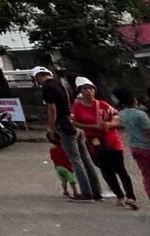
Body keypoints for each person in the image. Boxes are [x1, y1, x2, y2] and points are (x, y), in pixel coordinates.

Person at [34, 65, 102, 201]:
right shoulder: (62, 84)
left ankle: (86, 193)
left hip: (64, 125)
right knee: (85, 158)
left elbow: (52, 108)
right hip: (74, 123)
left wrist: (51, 128)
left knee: (75, 160)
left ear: (38, 77)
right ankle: (96, 191)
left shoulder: (48, 88)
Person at [72, 78, 137, 209]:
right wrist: (92, 126)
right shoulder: (77, 108)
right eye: (85, 89)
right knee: (107, 170)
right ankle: (119, 195)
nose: (88, 92)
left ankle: (131, 196)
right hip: (95, 143)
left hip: (112, 141)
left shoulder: (103, 105)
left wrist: (109, 124)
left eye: (90, 88)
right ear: (80, 92)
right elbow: (74, 122)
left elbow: (118, 120)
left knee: (121, 169)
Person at [114, 88, 150, 201]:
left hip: (136, 148)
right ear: (133, 99)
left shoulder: (122, 115)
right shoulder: (141, 115)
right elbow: (148, 133)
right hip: (147, 147)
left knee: (147, 176)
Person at [47, 129, 81, 200]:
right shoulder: (64, 148)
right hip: (67, 167)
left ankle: (65, 191)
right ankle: (75, 192)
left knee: (64, 180)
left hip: (58, 167)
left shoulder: (52, 150)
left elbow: (52, 158)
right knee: (72, 181)